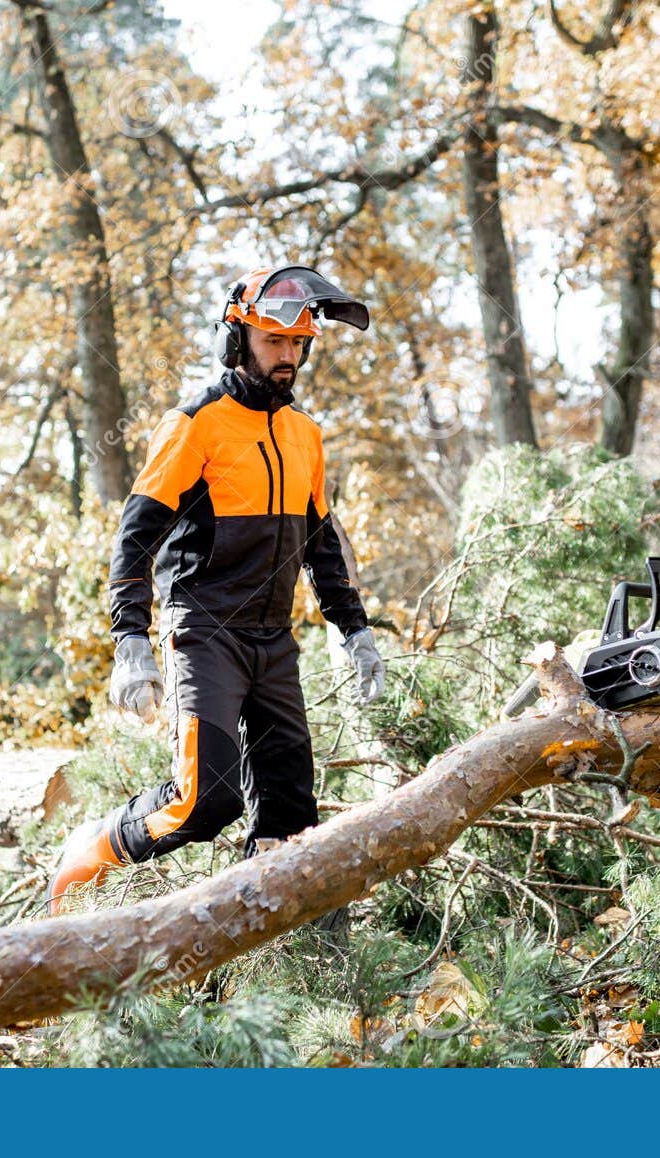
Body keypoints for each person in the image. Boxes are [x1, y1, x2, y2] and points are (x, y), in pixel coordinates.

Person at [46, 265, 386, 914]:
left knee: (293, 818)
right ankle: (93, 850)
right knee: (206, 801)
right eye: (273, 342)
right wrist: (129, 641)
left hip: (273, 641)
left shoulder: (305, 435)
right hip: (204, 636)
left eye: (297, 344)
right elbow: (136, 536)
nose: (288, 357)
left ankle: (291, 954)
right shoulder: (195, 423)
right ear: (238, 340)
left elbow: (320, 547)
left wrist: (354, 629)